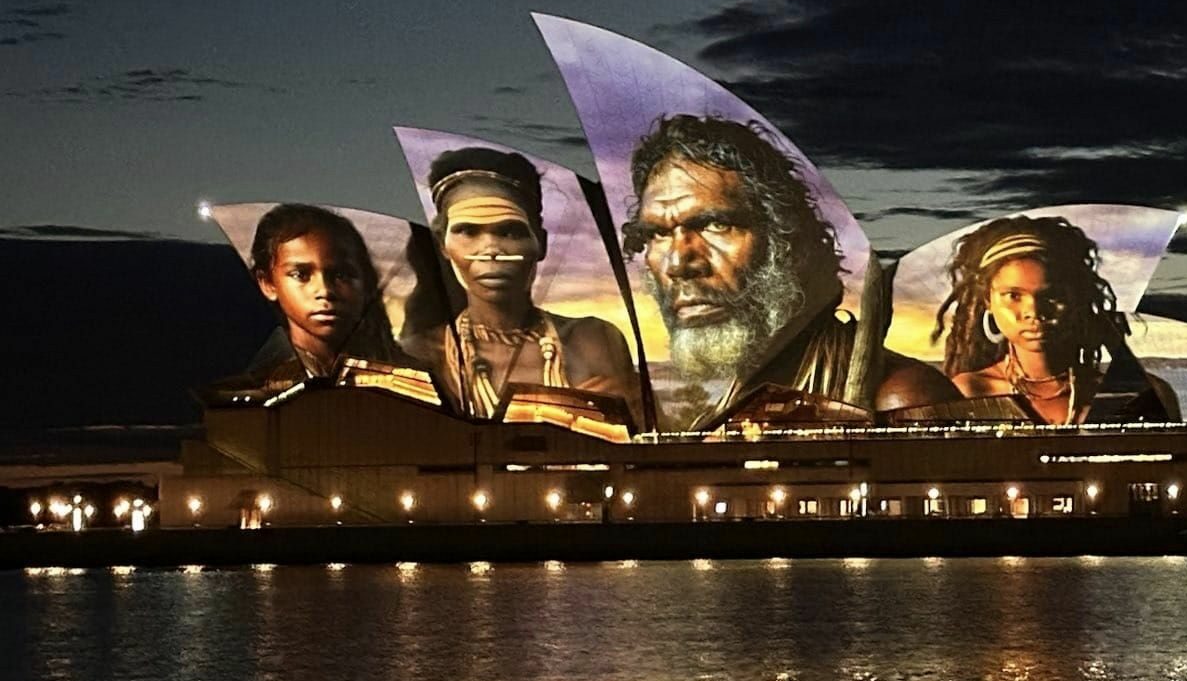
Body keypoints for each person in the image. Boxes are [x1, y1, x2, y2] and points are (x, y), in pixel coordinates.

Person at [621, 114, 957, 429]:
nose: (678, 263)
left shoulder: (901, 399)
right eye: (658, 234)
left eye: (715, 223)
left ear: (785, 239)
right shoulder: (724, 412)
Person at [406, 146, 640, 422]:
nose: (491, 249)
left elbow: (654, 440)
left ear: (540, 242)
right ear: (443, 246)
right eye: (468, 231)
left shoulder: (595, 341)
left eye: (509, 231)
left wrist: (629, 411)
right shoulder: (420, 358)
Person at [933, 215, 1128, 425]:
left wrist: (1121, 352)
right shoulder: (969, 392)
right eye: (1013, 296)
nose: (1033, 311)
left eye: (1052, 295)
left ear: (1074, 298)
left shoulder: (1112, 394)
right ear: (987, 300)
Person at [247, 203, 401, 383]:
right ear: (268, 283)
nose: (325, 291)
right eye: (301, 275)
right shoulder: (259, 382)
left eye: (341, 275)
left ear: (365, 282)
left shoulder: (407, 377)